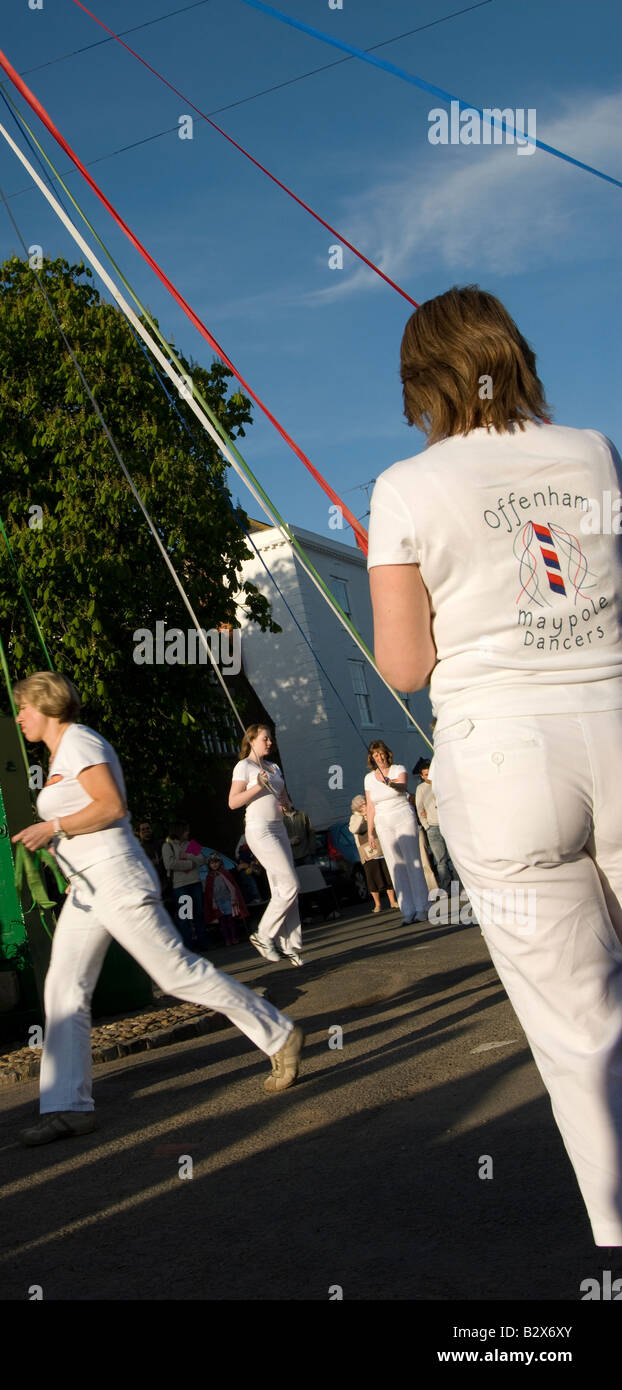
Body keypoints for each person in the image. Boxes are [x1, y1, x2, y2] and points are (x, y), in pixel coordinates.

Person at [367, 283, 622, 1247]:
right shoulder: (594, 450)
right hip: (615, 713)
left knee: (582, 1037)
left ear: (422, 381)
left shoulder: (405, 486)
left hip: (508, 757)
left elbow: (405, 665)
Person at [10, 671, 304, 1145]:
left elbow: (112, 808)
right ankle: (67, 1106)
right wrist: (57, 843)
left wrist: (53, 828)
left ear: (46, 706)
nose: (19, 715)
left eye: (24, 706)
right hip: (87, 890)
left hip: (116, 880)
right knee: (63, 989)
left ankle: (278, 1032)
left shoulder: (80, 741)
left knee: (176, 974)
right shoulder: (61, 755)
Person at [229, 724, 304, 966]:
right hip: (259, 829)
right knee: (291, 884)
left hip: (279, 828)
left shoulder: (273, 767)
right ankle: (264, 934)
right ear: (251, 741)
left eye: (270, 738)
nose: (270, 742)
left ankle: (290, 945)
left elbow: (281, 797)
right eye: (265, 738)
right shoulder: (244, 766)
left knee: (282, 888)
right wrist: (257, 786)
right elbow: (233, 802)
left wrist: (286, 804)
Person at [363, 742, 429, 925]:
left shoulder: (398, 769)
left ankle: (422, 907)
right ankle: (407, 909)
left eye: (382, 754)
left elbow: (402, 787)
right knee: (395, 865)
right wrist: (370, 833)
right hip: (383, 822)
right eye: (376, 756)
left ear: (387, 754)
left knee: (412, 862)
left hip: (402, 816)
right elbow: (370, 806)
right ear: (372, 758)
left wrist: (390, 783)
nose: (380, 758)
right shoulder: (368, 778)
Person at [161, 823, 208, 951]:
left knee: (198, 913)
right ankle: (188, 946)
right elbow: (170, 864)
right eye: (186, 831)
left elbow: (202, 859)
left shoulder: (191, 844)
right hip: (180, 885)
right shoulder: (168, 846)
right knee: (185, 916)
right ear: (179, 831)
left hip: (195, 882)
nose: (188, 833)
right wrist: (189, 864)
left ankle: (203, 943)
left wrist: (188, 856)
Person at [348, 794, 398, 914]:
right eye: (363, 805)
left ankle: (392, 900)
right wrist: (362, 817)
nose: (366, 806)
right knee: (372, 877)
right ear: (358, 807)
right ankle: (377, 904)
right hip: (366, 850)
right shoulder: (354, 817)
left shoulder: (374, 812)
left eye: (366, 804)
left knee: (386, 874)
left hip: (379, 846)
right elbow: (353, 829)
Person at [413, 758, 455, 893]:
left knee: (454, 858)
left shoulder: (441, 783)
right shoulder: (421, 789)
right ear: (422, 776)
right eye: (425, 775)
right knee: (441, 860)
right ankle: (447, 888)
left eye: (429, 773)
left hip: (448, 824)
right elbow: (419, 808)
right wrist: (426, 826)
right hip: (433, 827)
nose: (428, 777)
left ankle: (458, 887)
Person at [203, 854, 248, 945]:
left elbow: (232, 887)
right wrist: (213, 902)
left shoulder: (225, 873)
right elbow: (209, 892)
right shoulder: (209, 878)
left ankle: (235, 938)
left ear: (220, 863)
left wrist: (233, 898)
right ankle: (227, 939)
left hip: (229, 901)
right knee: (222, 923)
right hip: (218, 903)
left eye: (216, 862)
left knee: (231, 920)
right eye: (212, 863)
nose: (214, 865)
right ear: (209, 865)